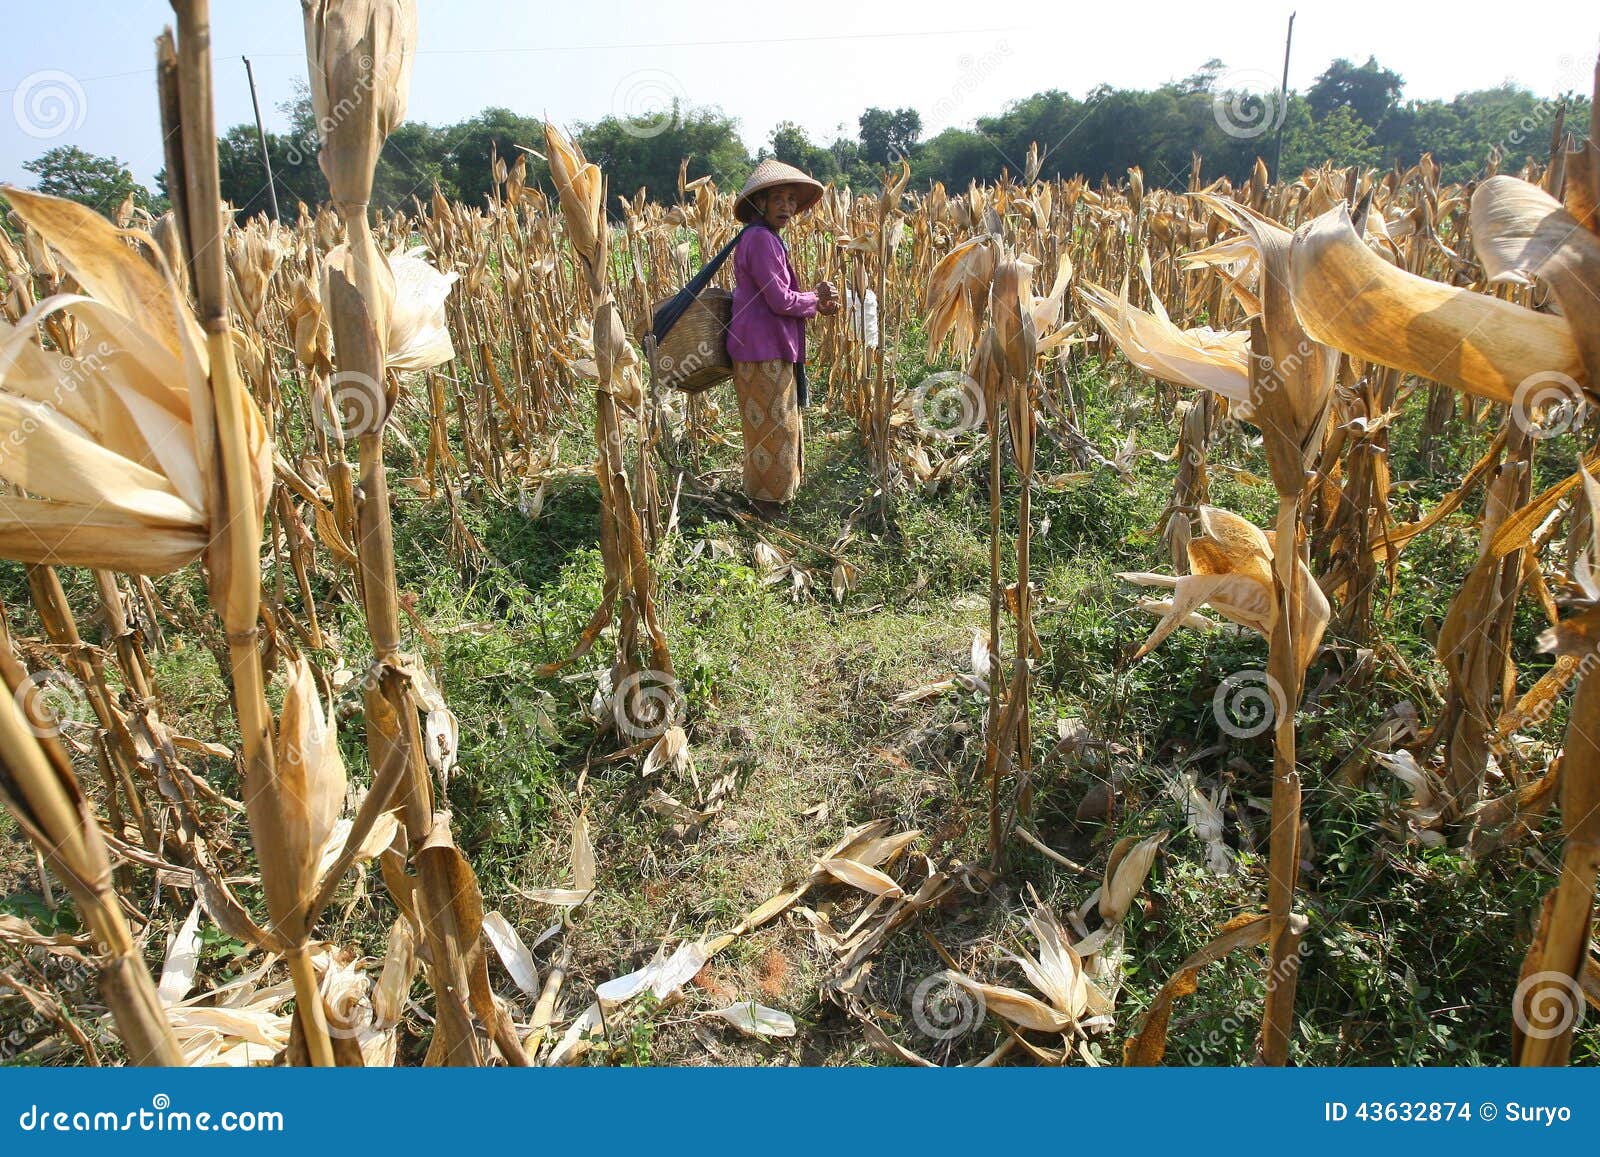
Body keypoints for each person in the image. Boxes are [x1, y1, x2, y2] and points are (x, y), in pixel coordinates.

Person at [725, 159, 839, 518]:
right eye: (778, 198)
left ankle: (775, 498)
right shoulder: (760, 240)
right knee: (772, 429)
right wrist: (815, 301)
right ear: (760, 203)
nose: (787, 206)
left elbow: (780, 296)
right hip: (761, 349)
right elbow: (779, 299)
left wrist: (811, 299)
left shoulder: (765, 239)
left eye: (792, 199)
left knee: (777, 424)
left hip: (767, 346)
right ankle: (766, 506)